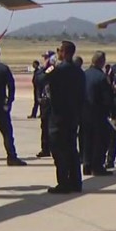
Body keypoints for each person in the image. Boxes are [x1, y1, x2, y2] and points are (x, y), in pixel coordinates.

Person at [38, 40, 86, 193]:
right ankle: (75, 182)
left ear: (63, 52)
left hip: (59, 116)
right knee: (72, 149)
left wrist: (46, 65)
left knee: (59, 151)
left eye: (59, 50)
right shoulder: (79, 71)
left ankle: (63, 183)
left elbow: (39, 79)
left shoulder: (58, 70)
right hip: (73, 115)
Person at [82, 51, 115, 176]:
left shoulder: (84, 74)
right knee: (101, 140)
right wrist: (112, 112)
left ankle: (86, 164)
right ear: (102, 62)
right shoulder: (102, 77)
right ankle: (97, 166)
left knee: (86, 139)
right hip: (98, 114)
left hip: (84, 113)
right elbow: (107, 99)